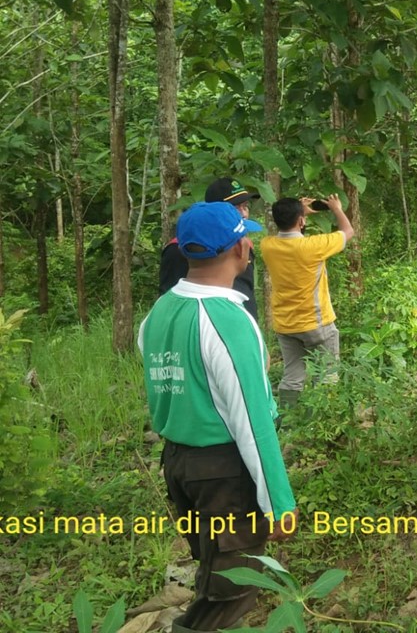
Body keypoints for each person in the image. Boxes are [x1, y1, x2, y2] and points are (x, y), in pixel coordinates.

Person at [138, 202, 296, 633]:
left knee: (213, 561)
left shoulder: (159, 313)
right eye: (246, 237)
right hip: (222, 472)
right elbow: (251, 421)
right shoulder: (227, 320)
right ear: (241, 249)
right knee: (235, 584)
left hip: (179, 464)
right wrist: (278, 502)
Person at [259, 195, 354, 408]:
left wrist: (298, 213)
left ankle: (290, 421)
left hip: (285, 325)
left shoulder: (268, 246)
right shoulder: (314, 246)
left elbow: (288, 234)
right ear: (301, 222)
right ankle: (325, 421)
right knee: (327, 375)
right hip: (317, 324)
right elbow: (348, 232)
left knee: (292, 374)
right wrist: (336, 209)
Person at [159, 177, 260, 321]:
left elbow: (247, 289)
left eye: (245, 206)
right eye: (235, 208)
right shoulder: (182, 248)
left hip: (243, 322)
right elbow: (171, 300)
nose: (243, 214)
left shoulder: (244, 244)